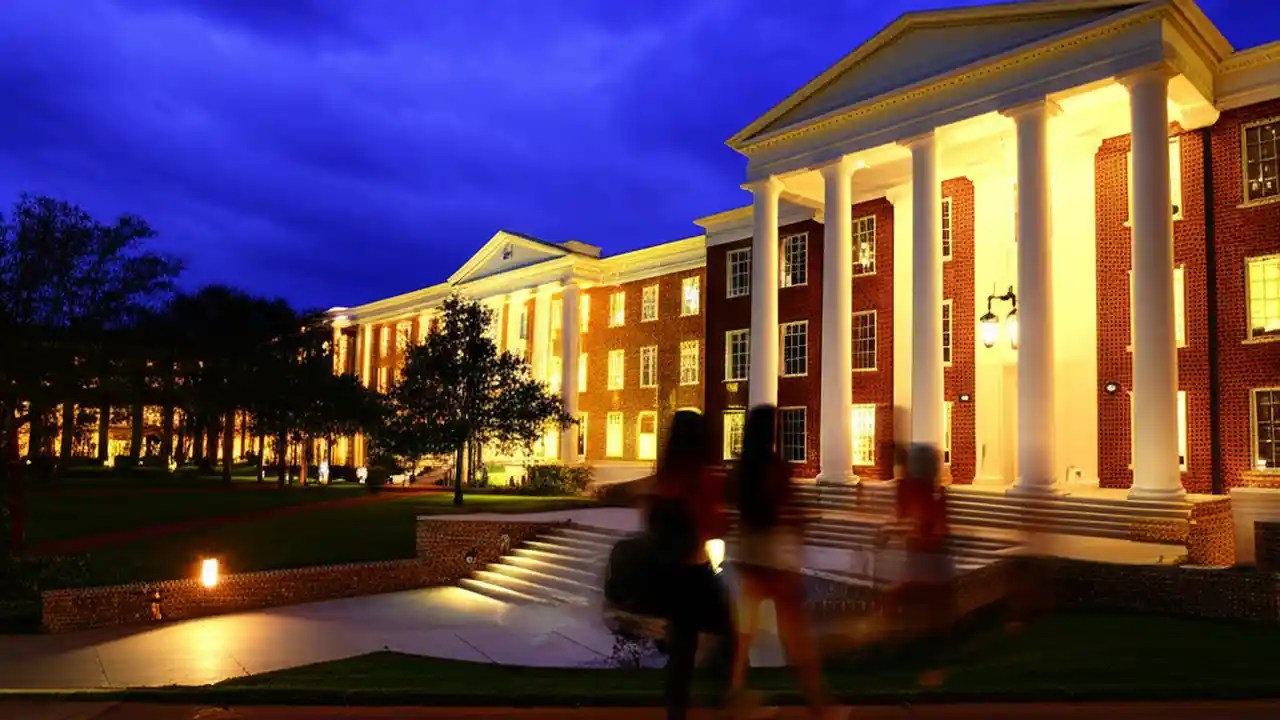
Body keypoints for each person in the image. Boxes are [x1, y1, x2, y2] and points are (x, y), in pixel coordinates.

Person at [728, 405, 835, 719]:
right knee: (795, 633)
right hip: (776, 554)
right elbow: (787, 509)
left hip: (749, 551)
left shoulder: (742, 469)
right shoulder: (776, 469)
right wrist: (802, 522)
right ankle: (818, 703)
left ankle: (735, 696)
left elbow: (739, 507)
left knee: (745, 635)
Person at [641, 409, 734, 720]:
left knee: (682, 653)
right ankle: (723, 699)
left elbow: (650, 522)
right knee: (729, 632)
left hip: (667, 577)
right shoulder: (700, 477)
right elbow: (714, 524)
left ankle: (677, 713)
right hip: (694, 574)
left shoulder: (665, 477)